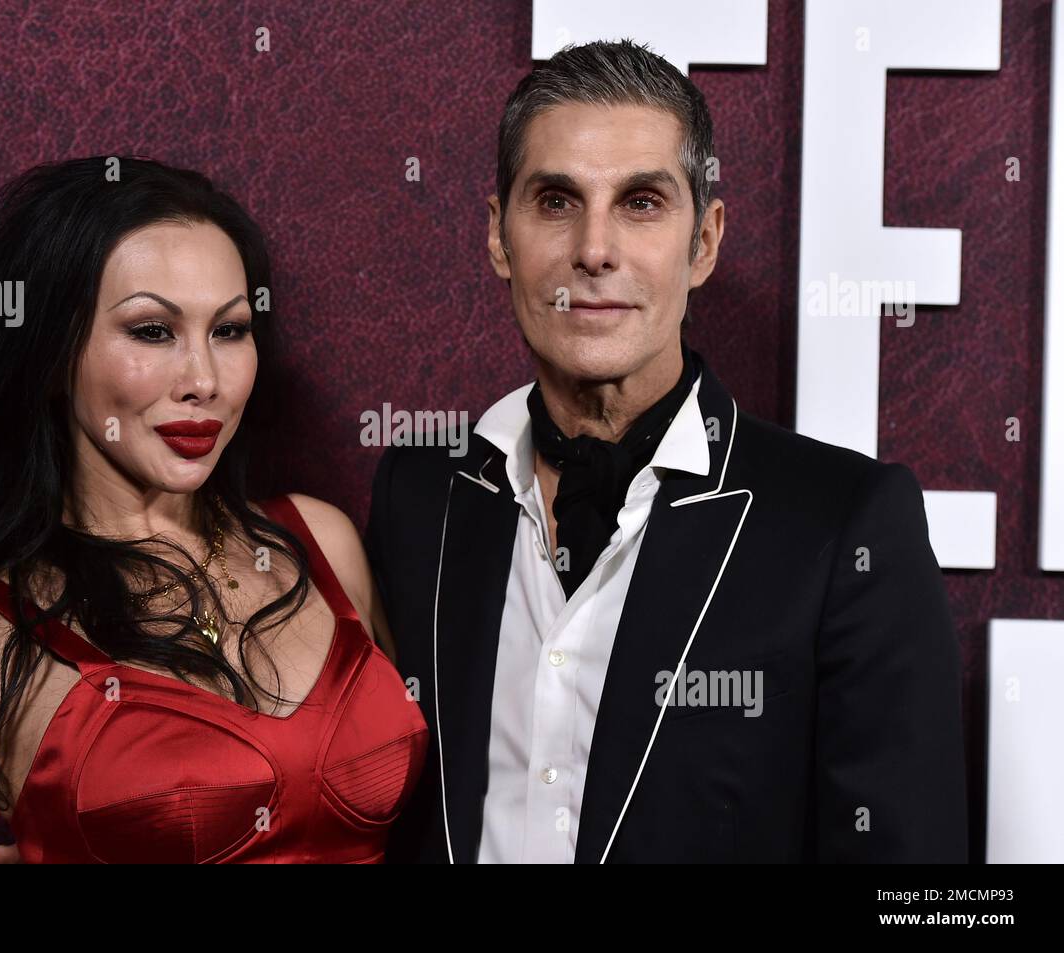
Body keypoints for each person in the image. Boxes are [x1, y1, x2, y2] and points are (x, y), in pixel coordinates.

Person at [369, 39, 968, 863]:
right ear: (498, 236)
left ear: (706, 240)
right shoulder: (419, 498)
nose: (595, 249)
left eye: (642, 202)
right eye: (554, 200)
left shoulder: (843, 525)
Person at [0, 156, 427, 863]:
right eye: (151, 331)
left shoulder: (319, 541)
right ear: (52, 353)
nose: (203, 379)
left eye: (229, 330)